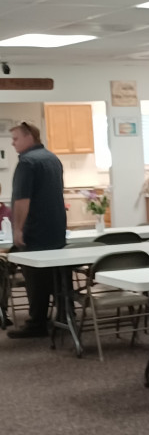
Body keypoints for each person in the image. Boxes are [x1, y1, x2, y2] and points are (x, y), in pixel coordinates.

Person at [8, 121, 66, 338]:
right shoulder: (53, 159)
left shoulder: (27, 162)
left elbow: (23, 200)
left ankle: (37, 322)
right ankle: (64, 318)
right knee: (56, 275)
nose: (13, 143)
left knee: (35, 279)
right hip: (56, 227)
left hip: (35, 229)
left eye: (16, 138)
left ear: (29, 137)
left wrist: (18, 229)